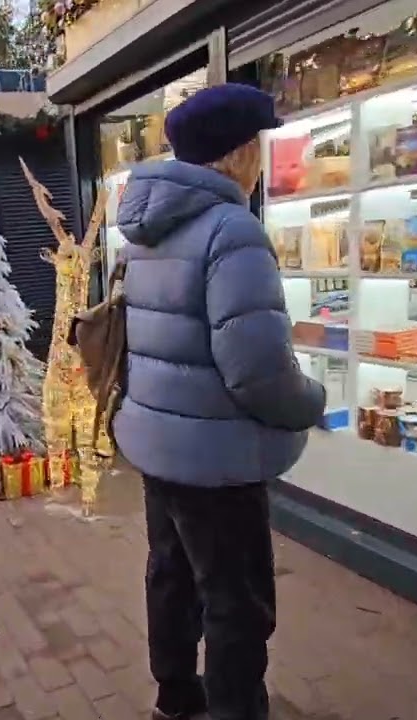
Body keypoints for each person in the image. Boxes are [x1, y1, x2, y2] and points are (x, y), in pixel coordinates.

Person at [113, 84, 327, 720]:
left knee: (172, 581)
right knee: (236, 604)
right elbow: (257, 372)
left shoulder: (147, 229)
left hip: (159, 445)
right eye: (257, 145)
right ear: (238, 155)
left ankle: (176, 701)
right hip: (218, 456)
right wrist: (310, 401)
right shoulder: (233, 231)